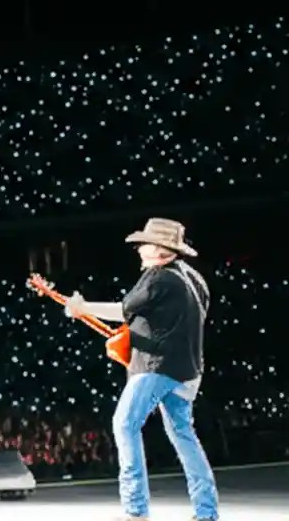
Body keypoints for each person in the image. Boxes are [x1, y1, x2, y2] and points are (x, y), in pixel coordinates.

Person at [60, 218, 219, 521]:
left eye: (144, 244)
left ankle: (135, 510)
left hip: (157, 366)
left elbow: (124, 310)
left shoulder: (157, 277)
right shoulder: (194, 278)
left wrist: (84, 308)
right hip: (190, 369)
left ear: (162, 250)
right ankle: (206, 511)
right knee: (184, 434)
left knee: (124, 424)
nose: (139, 249)